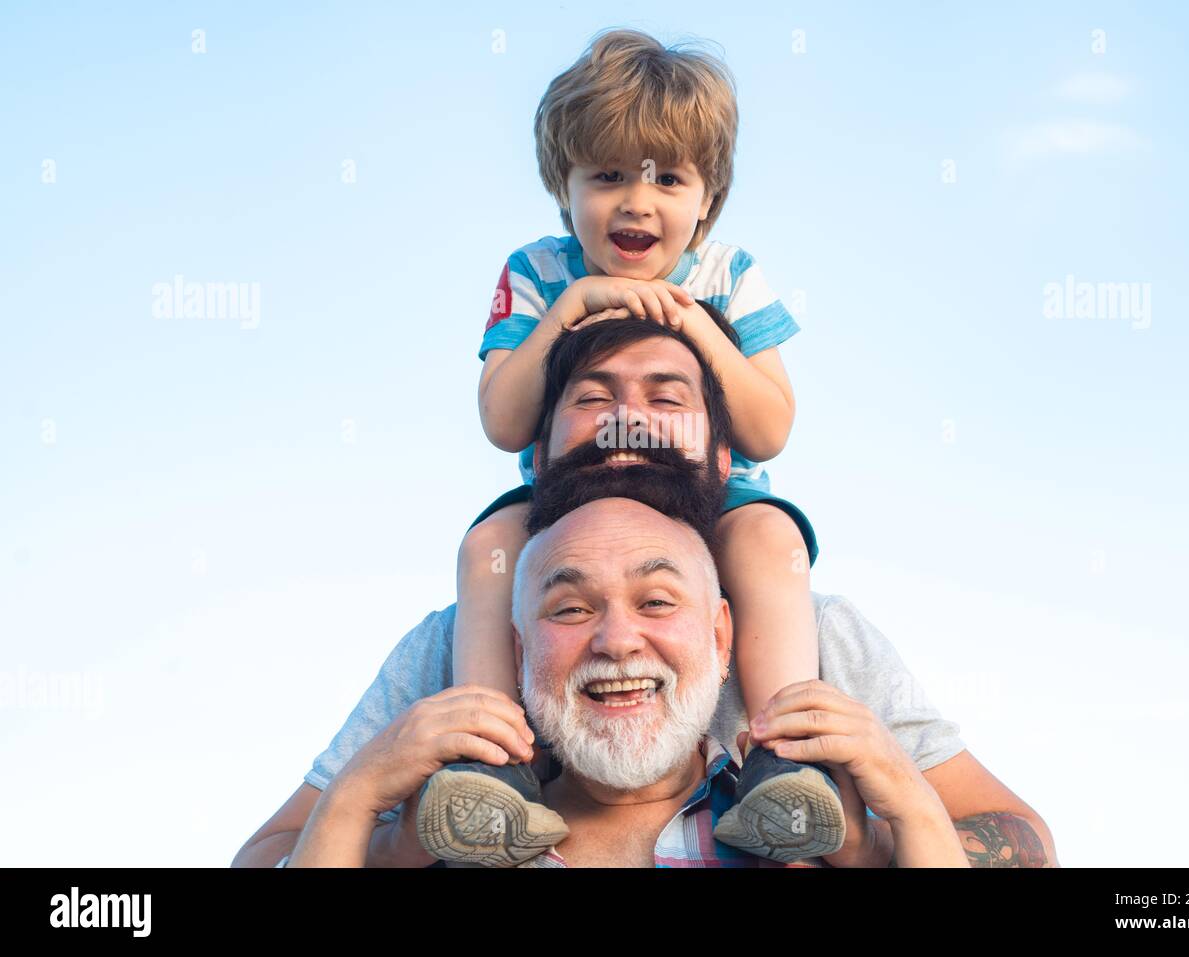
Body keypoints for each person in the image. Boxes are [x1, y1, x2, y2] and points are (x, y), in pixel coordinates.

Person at [232, 317, 1058, 868]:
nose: (628, 418)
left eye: (666, 397)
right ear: (539, 457)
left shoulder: (817, 635)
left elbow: (1021, 838)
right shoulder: (447, 649)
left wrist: (893, 807)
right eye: (593, 398)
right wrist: (372, 804)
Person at [449, 26, 844, 865]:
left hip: (702, 491)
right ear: (565, 188)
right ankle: (490, 772)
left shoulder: (726, 275)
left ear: (708, 199)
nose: (638, 200)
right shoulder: (536, 270)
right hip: (569, 499)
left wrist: (702, 332)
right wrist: (568, 309)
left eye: (669, 178)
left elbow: (770, 424)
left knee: (771, 538)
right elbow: (503, 420)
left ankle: (781, 762)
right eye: (609, 176)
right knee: (488, 545)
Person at [287, 498, 970, 868]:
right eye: (571, 609)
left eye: (657, 601)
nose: (616, 640)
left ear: (723, 637)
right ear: (519, 653)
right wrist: (354, 796)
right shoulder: (444, 841)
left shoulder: (803, 836)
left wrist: (909, 808)